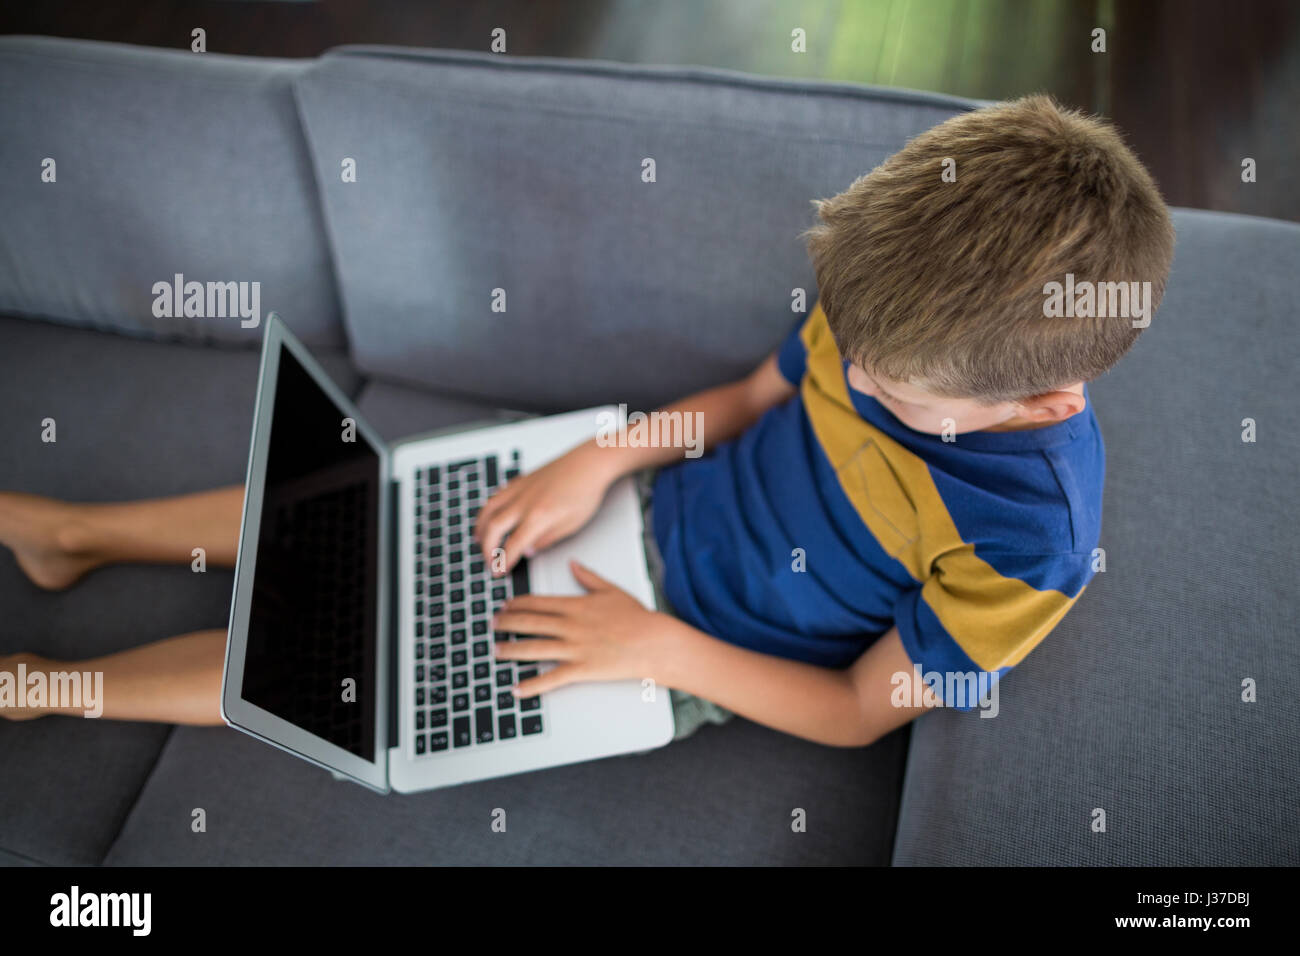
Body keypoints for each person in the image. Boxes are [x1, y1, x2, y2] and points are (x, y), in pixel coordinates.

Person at [0, 95, 1175, 745]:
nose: (852, 382)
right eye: (849, 353)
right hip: (644, 492)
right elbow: (750, 399)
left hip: (684, 641)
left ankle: (54, 684)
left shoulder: (1033, 540)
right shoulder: (885, 318)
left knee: (366, 665)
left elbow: (865, 709)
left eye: (893, 393)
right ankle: (73, 531)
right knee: (372, 504)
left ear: (1044, 403)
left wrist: (663, 649)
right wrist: (610, 448)